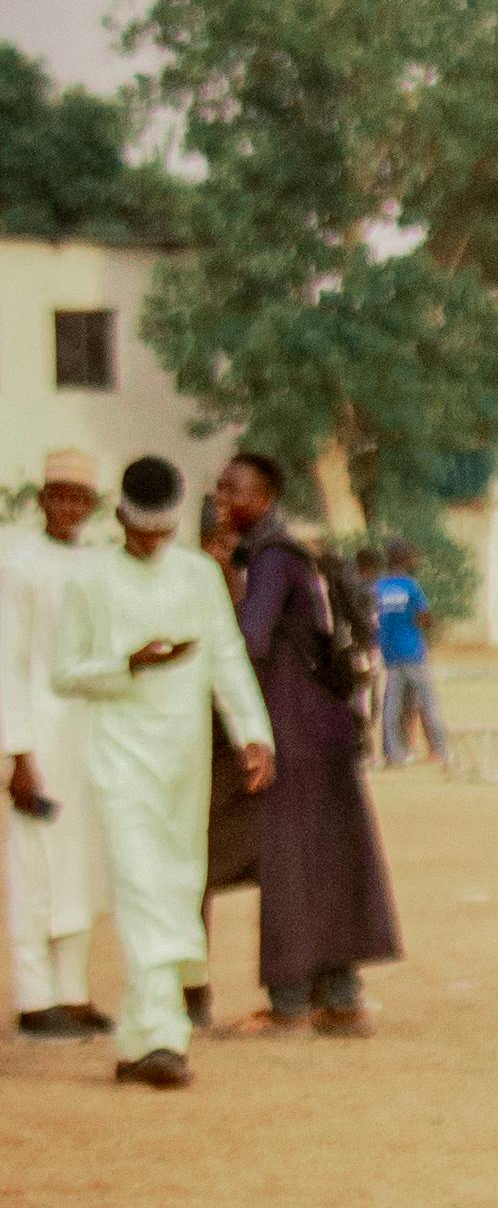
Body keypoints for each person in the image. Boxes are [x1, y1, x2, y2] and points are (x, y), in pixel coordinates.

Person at [50, 456, 274, 1087]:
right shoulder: (91, 578)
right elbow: (65, 671)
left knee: (175, 889)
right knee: (142, 889)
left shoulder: (200, 574)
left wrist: (253, 734)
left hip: (183, 759)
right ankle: (166, 1041)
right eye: (141, 533)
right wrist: (130, 663)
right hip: (119, 757)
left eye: (161, 534)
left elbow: (227, 657)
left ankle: (138, 1042)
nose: (151, 544)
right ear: (120, 519)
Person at [210, 452, 401, 1038]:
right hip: (328, 723)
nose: (222, 501)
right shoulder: (302, 553)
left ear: (263, 497)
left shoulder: (268, 559)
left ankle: (291, 1003)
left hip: (291, 724)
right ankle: (340, 996)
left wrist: (221, 577)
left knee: (289, 861)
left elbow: (252, 638)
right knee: (332, 860)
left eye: (233, 491)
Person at [2, 446, 112, 1042]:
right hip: (36, 741)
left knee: (82, 866)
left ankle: (72, 992)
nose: (68, 507)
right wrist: (16, 756)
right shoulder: (19, 566)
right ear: (41, 500)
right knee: (35, 866)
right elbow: (7, 666)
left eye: (80, 498)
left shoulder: (99, 566)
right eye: (58, 495)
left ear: (93, 506)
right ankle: (33, 997)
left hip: (87, 738)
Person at [371, 544, 451, 766]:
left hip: (390, 653)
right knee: (428, 702)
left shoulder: (378, 587)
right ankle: (441, 750)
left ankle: (393, 753)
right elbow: (425, 616)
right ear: (404, 560)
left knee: (392, 704)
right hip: (413, 651)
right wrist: (426, 625)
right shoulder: (410, 586)